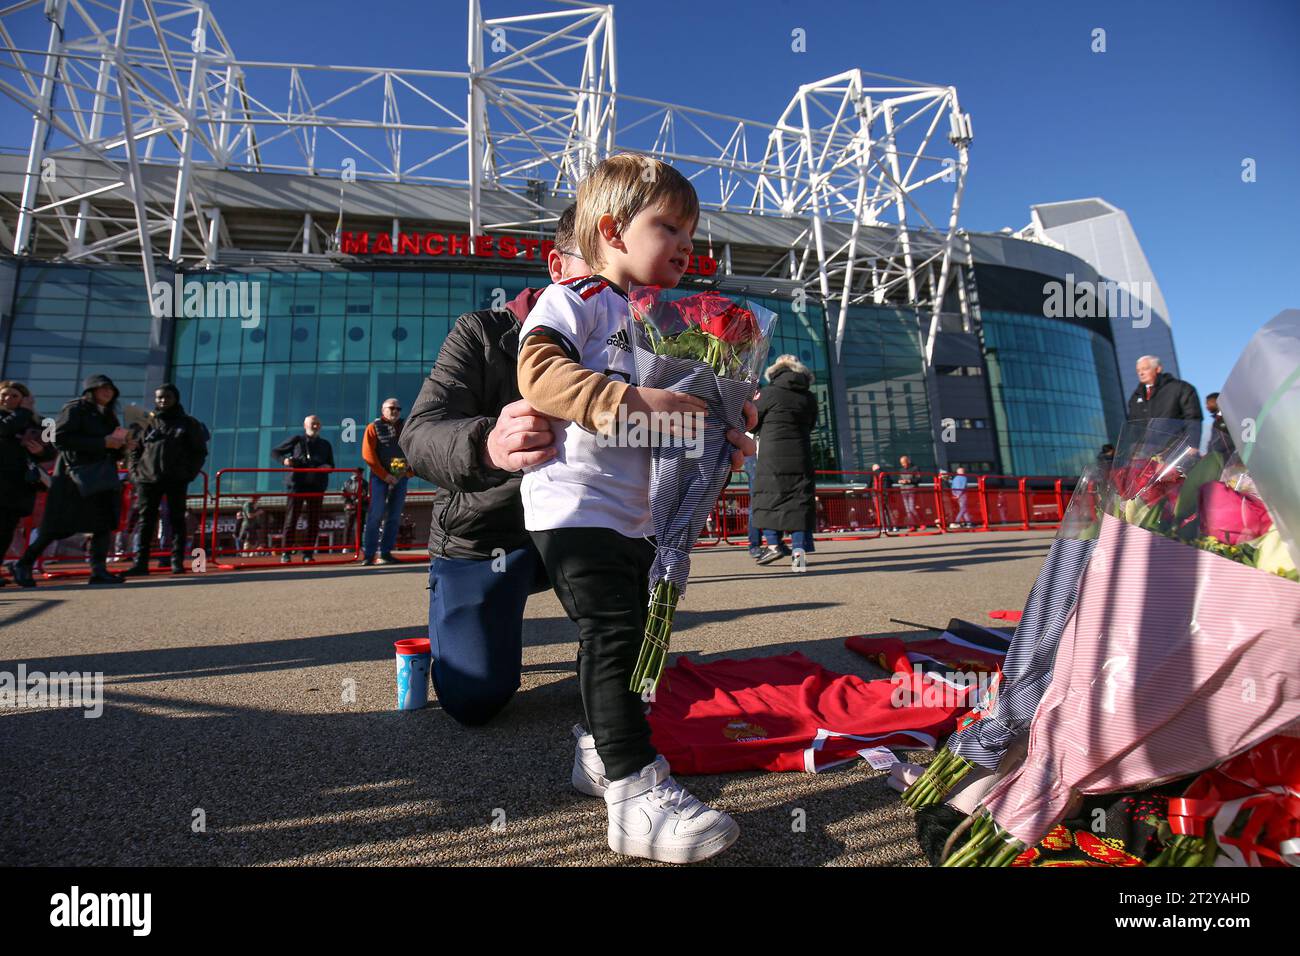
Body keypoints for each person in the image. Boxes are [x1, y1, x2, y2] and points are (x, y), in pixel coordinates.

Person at [399, 205, 756, 724]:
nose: (617, 291)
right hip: (489, 534)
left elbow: (668, 437)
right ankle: (459, 632)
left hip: (599, 521)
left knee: (630, 678)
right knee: (474, 698)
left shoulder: (650, 340)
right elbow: (419, 435)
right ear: (556, 268)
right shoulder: (482, 333)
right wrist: (488, 445)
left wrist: (719, 425)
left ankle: (611, 720)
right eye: (598, 272)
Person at [516, 154, 741, 863]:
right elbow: (541, 373)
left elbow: (673, 424)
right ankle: (635, 795)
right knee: (613, 634)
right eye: (668, 226)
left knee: (635, 637)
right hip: (573, 508)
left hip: (637, 517)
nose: (685, 245)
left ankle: (594, 749)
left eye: (692, 233)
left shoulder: (660, 323)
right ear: (612, 230)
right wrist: (628, 401)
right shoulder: (577, 299)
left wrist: (722, 415)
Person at [6, 374, 134, 587]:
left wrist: (122, 447)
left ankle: (98, 570)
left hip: (101, 477)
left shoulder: (108, 415)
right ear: (91, 390)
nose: (107, 392)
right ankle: (24, 563)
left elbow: (110, 448)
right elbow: (59, 438)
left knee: (103, 524)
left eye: (110, 389)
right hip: (74, 479)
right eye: (102, 388)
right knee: (58, 526)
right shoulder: (75, 409)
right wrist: (101, 442)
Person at [122, 384, 208, 576]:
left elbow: (199, 452)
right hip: (147, 479)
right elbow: (134, 451)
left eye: (167, 397)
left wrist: (188, 474)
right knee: (146, 521)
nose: (163, 401)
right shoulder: (146, 423)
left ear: (175, 398)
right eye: (160, 397)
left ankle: (176, 561)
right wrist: (136, 474)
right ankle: (141, 563)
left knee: (177, 519)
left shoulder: (188, 423)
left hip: (176, 479)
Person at [751, 355, 818, 572]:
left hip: (772, 455)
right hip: (801, 454)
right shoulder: (808, 397)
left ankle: (773, 544)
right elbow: (811, 425)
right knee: (799, 501)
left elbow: (753, 422)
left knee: (769, 497)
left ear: (775, 372)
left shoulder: (769, 393)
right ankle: (799, 552)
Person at [0, 381, 55, 582]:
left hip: (19, 483)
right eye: (4, 394)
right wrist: (23, 411)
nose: (7, 399)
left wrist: (41, 451)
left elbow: (51, 449)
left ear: (24, 398)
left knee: (7, 529)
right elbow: (4, 429)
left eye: (14, 395)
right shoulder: (9, 417)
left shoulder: (42, 422)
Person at [273, 415, 334, 563]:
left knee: (314, 520)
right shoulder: (296, 440)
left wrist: (326, 467)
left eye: (318, 424)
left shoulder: (325, 444)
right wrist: (285, 460)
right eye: (313, 423)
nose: (315, 426)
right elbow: (275, 452)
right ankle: (286, 553)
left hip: (317, 486)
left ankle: (308, 553)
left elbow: (332, 465)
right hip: (297, 485)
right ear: (305, 425)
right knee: (291, 519)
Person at [361, 397, 408, 565]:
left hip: (401, 478)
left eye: (398, 408)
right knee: (375, 515)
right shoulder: (373, 428)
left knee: (394, 516)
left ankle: (386, 552)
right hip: (379, 479)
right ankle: (369, 554)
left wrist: (407, 473)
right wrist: (384, 475)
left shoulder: (407, 427)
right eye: (391, 408)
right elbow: (368, 455)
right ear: (383, 410)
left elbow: (415, 450)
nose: (395, 411)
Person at [1127, 355, 1202, 436]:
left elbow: (1193, 418)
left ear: (1158, 369)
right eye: (1138, 371)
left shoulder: (1180, 388)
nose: (1141, 373)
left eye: (1145, 369)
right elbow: (1133, 426)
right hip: (1146, 447)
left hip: (1175, 445)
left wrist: (1192, 444)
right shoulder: (1135, 397)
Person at [892, 454, 921, 531]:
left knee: (911, 508)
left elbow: (919, 479)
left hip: (912, 489)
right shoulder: (901, 470)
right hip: (904, 490)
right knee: (907, 510)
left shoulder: (915, 468)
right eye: (901, 463)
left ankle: (921, 523)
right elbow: (899, 479)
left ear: (908, 461)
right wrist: (900, 481)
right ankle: (912, 525)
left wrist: (909, 481)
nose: (903, 464)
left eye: (904, 462)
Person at [1205, 392, 1235, 457]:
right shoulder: (1216, 421)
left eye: (1208, 403)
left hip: (1235, 458)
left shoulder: (1229, 415)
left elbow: (1229, 438)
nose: (1206, 407)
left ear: (1217, 401)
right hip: (1225, 460)